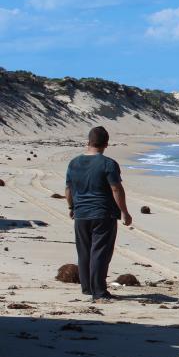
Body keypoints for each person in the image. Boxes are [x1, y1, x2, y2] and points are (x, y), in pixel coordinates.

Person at [65, 126, 132, 301]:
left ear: (88, 142)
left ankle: (87, 287)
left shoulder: (74, 163)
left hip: (81, 214)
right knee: (100, 252)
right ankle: (99, 291)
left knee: (84, 252)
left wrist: (71, 207)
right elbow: (116, 188)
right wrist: (124, 212)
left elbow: (68, 189)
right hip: (103, 214)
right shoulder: (108, 164)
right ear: (106, 144)